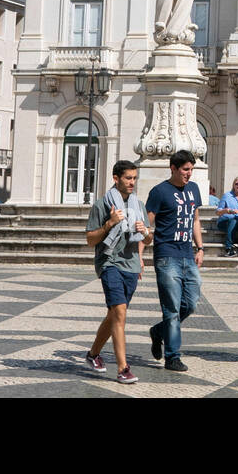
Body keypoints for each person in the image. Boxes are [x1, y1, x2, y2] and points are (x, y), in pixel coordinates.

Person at [85, 160, 152, 384]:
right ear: (116, 179)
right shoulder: (102, 205)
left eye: (134, 178)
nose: (132, 182)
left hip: (131, 265)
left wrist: (145, 233)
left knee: (114, 314)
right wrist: (109, 224)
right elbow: (90, 240)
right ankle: (123, 368)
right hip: (109, 262)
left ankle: (93, 354)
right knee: (120, 312)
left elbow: (149, 239)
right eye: (128, 178)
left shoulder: (138, 205)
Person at [145, 150, 203, 371]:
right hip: (166, 255)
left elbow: (195, 219)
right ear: (173, 168)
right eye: (185, 170)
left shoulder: (194, 189)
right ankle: (173, 356)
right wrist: (140, 253)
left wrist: (201, 247)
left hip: (188, 254)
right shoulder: (159, 192)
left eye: (191, 170)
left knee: (190, 303)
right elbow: (146, 224)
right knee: (171, 308)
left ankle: (158, 331)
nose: (189, 174)